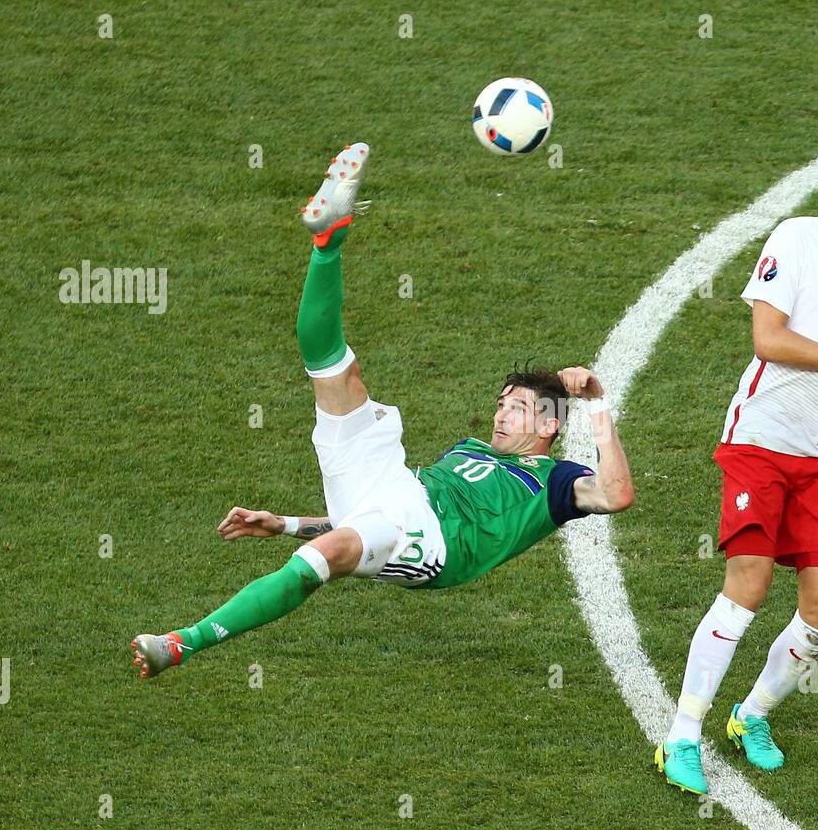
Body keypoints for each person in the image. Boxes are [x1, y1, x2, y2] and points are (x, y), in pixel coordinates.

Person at [132, 142, 634, 679]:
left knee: (320, 563)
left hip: (434, 542)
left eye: (518, 409)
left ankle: (182, 642)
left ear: (550, 425)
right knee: (334, 371)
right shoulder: (468, 452)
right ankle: (328, 241)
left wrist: (598, 402)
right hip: (395, 487)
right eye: (501, 404)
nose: (501, 415)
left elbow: (617, 494)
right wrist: (284, 524)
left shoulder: (556, 482)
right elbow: (371, 513)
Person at [656, 134, 818, 794]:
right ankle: (681, 736)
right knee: (746, 584)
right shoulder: (797, 239)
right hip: (762, 439)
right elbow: (768, 339)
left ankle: (751, 717)